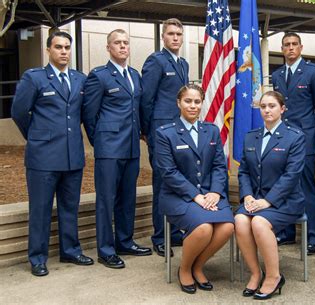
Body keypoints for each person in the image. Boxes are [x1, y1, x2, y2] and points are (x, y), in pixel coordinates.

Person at [11, 31, 94, 276]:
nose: (64, 52)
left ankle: (70, 250)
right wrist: (36, 136)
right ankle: (37, 257)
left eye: (67, 47)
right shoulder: (34, 78)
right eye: (58, 47)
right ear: (49, 50)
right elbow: (19, 113)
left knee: (70, 206)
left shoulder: (80, 79)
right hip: (43, 157)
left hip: (72, 156)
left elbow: (83, 115)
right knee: (41, 208)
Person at [154, 84, 234, 294]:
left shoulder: (211, 130)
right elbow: (168, 172)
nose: (193, 106)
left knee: (227, 226)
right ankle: (185, 269)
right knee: (203, 228)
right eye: (188, 101)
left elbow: (219, 165)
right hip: (177, 196)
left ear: (202, 104)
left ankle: (198, 266)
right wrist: (196, 196)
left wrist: (216, 192)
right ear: (178, 103)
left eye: (197, 101)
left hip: (211, 193)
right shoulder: (165, 133)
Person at [82, 29, 151, 269]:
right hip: (109, 148)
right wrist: (99, 141)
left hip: (132, 147)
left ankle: (125, 241)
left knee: (127, 198)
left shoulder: (134, 75)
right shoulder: (99, 76)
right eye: (117, 43)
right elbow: (89, 115)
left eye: (125, 43)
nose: (123, 47)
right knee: (106, 200)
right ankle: (106, 249)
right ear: (108, 47)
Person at [235, 91, 306, 300]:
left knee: (258, 223)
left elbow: (291, 175)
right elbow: (244, 171)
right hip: (255, 199)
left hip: (285, 201)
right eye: (263, 106)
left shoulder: (295, 137)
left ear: (282, 109)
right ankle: (256, 273)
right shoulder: (251, 136)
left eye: (272, 106)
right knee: (239, 220)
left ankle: (274, 277)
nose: (267, 110)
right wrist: (247, 196)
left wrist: (268, 201)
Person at [271, 32, 315, 254]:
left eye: (294, 44)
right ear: (282, 48)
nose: (291, 48)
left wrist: (313, 131)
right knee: (283, 186)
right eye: (286, 45)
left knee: (306, 187)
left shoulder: (314, 72)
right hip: (281, 139)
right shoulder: (277, 75)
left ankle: (314, 237)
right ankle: (286, 233)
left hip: (305, 139)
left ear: (301, 47)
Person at [140, 18, 189, 257]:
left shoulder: (183, 63)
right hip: (160, 131)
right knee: (161, 183)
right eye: (171, 34)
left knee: (177, 182)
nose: (175, 38)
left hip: (179, 131)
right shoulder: (155, 61)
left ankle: (176, 232)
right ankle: (160, 236)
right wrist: (148, 131)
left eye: (179, 34)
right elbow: (146, 99)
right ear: (163, 37)